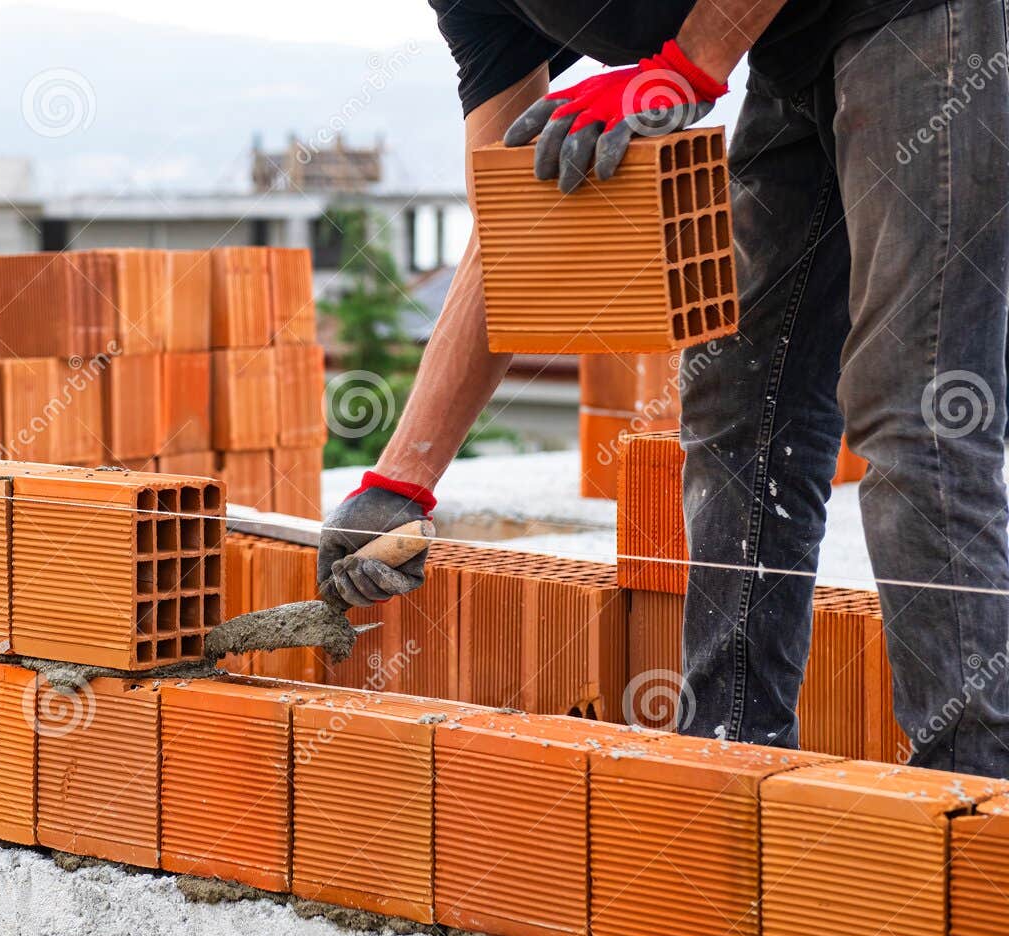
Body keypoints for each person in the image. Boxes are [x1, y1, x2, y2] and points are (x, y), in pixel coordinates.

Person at [318, 0, 1009, 774]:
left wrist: (684, 69)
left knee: (912, 403)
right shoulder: (475, 8)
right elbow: (516, 233)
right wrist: (400, 482)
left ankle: (977, 795)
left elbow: (695, 67)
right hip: (794, 48)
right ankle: (729, 753)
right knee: (739, 401)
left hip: (928, 21)